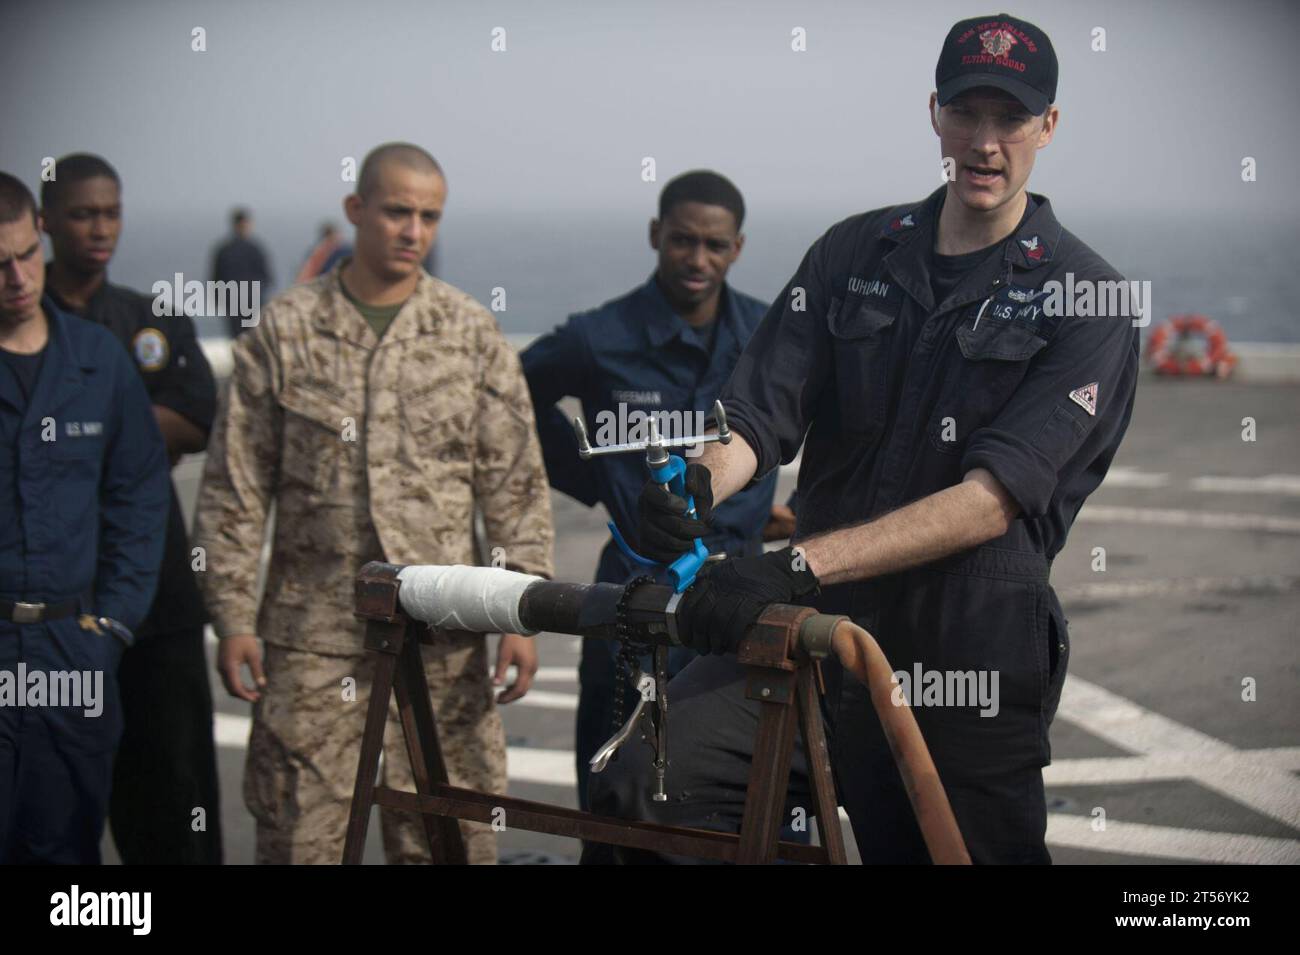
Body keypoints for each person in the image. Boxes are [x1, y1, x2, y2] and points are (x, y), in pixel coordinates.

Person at [591, 13, 1141, 864]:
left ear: (1048, 127)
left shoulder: (1088, 300)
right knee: (650, 783)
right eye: (967, 113)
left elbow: (989, 501)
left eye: (1011, 117)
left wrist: (792, 564)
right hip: (814, 636)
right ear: (934, 114)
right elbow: (758, 412)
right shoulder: (854, 253)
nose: (986, 142)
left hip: (966, 656)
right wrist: (699, 483)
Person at [192, 142, 554, 865]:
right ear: (357, 210)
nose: (413, 231)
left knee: (451, 841)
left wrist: (525, 608)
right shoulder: (285, 331)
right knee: (303, 841)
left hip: (445, 644)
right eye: (396, 211)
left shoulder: (469, 332)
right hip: (313, 646)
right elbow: (236, 485)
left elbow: (512, 480)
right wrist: (232, 615)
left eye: (429, 216)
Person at [520, 170, 779, 809]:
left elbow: (814, 417)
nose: (698, 258)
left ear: (737, 248)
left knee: (740, 788)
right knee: (615, 780)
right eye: (682, 240)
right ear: (655, 234)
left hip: (743, 588)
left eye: (715, 245)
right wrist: (597, 479)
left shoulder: (769, 337)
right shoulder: (597, 336)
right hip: (633, 587)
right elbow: (514, 391)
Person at [41, 153, 223, 865]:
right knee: (54, 803)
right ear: (47, 221)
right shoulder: (25, 324)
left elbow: (201, 416)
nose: (99, 228)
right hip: (54, 601)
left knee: (176, 795)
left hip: (159, 601)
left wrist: (85, 427)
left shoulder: (151, 316)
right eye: (83, 213)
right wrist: (141, 425)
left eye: (110, 212)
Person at [0, 172, 169, 863]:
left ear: (40, 235)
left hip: (74, 646)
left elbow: (140, 495)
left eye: (25, 254)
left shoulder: (98, 360)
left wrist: (115, 623)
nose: (16, 277)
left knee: (69, 850)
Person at [211, 207, 272, 340]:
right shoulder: (253, 249)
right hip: (247, 302)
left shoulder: (225, 249)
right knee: (252, 340)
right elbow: (266, 278)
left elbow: (215, 280)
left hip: (237, 303)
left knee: (240, 340)